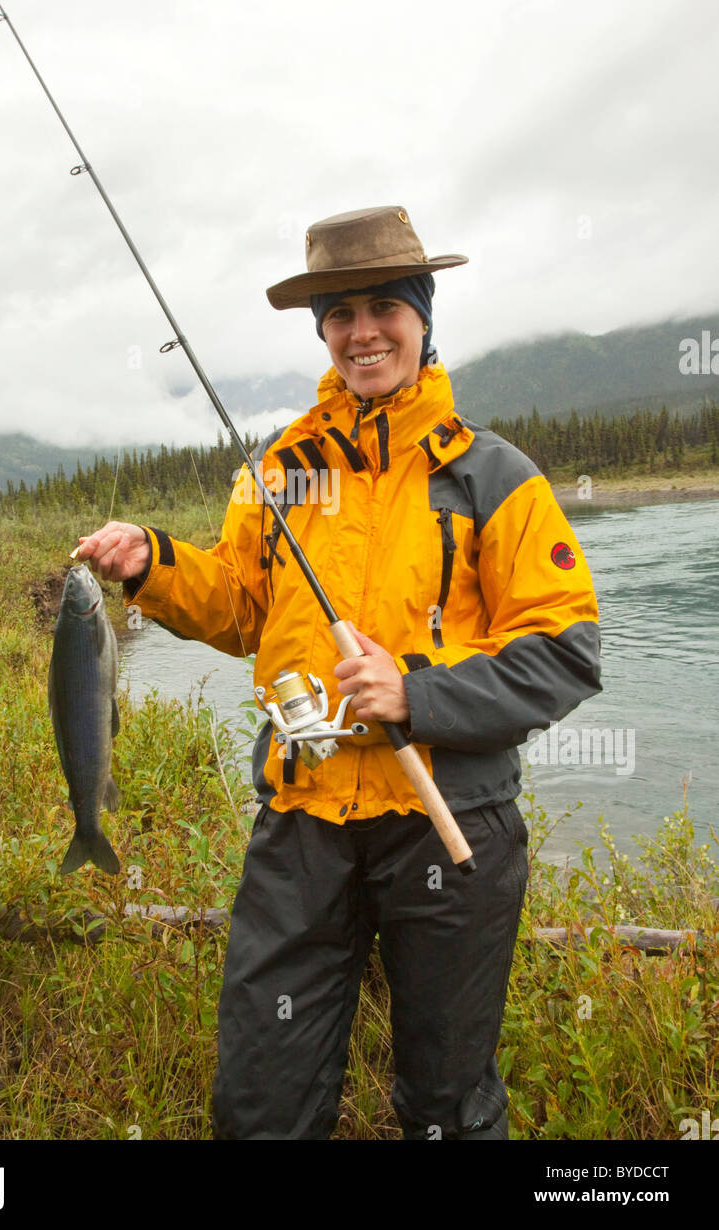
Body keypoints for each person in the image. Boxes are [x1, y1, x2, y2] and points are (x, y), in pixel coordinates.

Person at [76, 204, 602, 1140]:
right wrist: (152, 563)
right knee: (261, 1103)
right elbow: (241, 606)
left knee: (447, 1107)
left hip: (449, 825)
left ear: (422, 315)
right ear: (321, 330)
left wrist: (422, 693)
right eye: (340, 312)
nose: (363, 331)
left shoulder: (496, 476)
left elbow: (566, 651)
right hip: (302, 823)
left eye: (384, 307)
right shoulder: (278, 468)